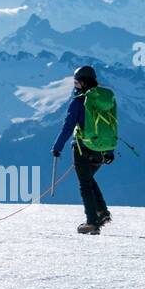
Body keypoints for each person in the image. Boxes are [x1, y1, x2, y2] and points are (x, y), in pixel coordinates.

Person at [51, 65, 118, 234]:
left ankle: (92, 222)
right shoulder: (105, 100)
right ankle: (102, 213)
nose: (75, 85)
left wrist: (57, 147)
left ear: (82, 82)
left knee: (85, 184)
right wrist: (109, 150)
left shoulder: (79, 102)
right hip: (104, 149)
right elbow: (109, 125)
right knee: (88, 178)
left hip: (83, 147)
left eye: (76, 82)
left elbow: (68, 127)